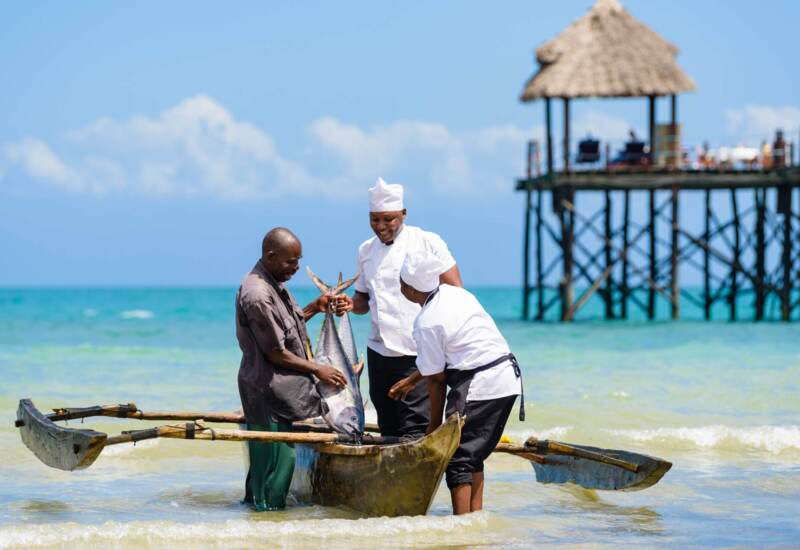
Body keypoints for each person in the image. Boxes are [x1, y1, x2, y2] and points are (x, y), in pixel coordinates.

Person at [397, 250, 524, 515]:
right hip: (507, 379)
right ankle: (475, 520)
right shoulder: (457, 294)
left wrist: (434, 426)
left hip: (480, 385)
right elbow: (458, 350)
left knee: (457, 458)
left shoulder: (427, 322)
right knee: (472, 456)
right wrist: (411, 380)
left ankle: (461, 526)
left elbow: (436, 380)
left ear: (409, 289)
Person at [336, 177, 462, 438]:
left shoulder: (427, 241)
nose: (381, 226)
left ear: (404, 214)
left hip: (417, 351)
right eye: (374, 219)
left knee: (416, 427)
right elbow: (363, 300)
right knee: (388, 425)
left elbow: (455, 290)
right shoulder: (365, 250)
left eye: (388, 219)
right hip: (379, 353)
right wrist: (349, 304)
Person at [236, 227, 347, 511]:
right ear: (270, 256)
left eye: (298, 261)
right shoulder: (258, 294)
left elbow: (286, 330)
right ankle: (267, 517)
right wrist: (318, 369)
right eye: (290, 262)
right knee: (277, 463)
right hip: (265, 391)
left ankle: (255, 516)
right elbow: (275, 352)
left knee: (268, 461)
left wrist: (315, 307)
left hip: (278, 392)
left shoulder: (274, 284)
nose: (296, 268)